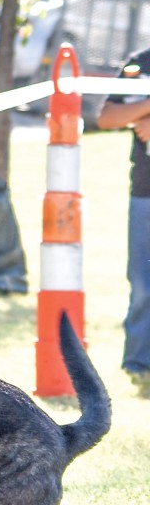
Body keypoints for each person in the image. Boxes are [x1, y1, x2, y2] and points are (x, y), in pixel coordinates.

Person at [96, 47, 150, 395]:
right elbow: (106, 117)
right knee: (144, 281)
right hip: (145, 193)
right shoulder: (141, 62)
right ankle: (140, 363)